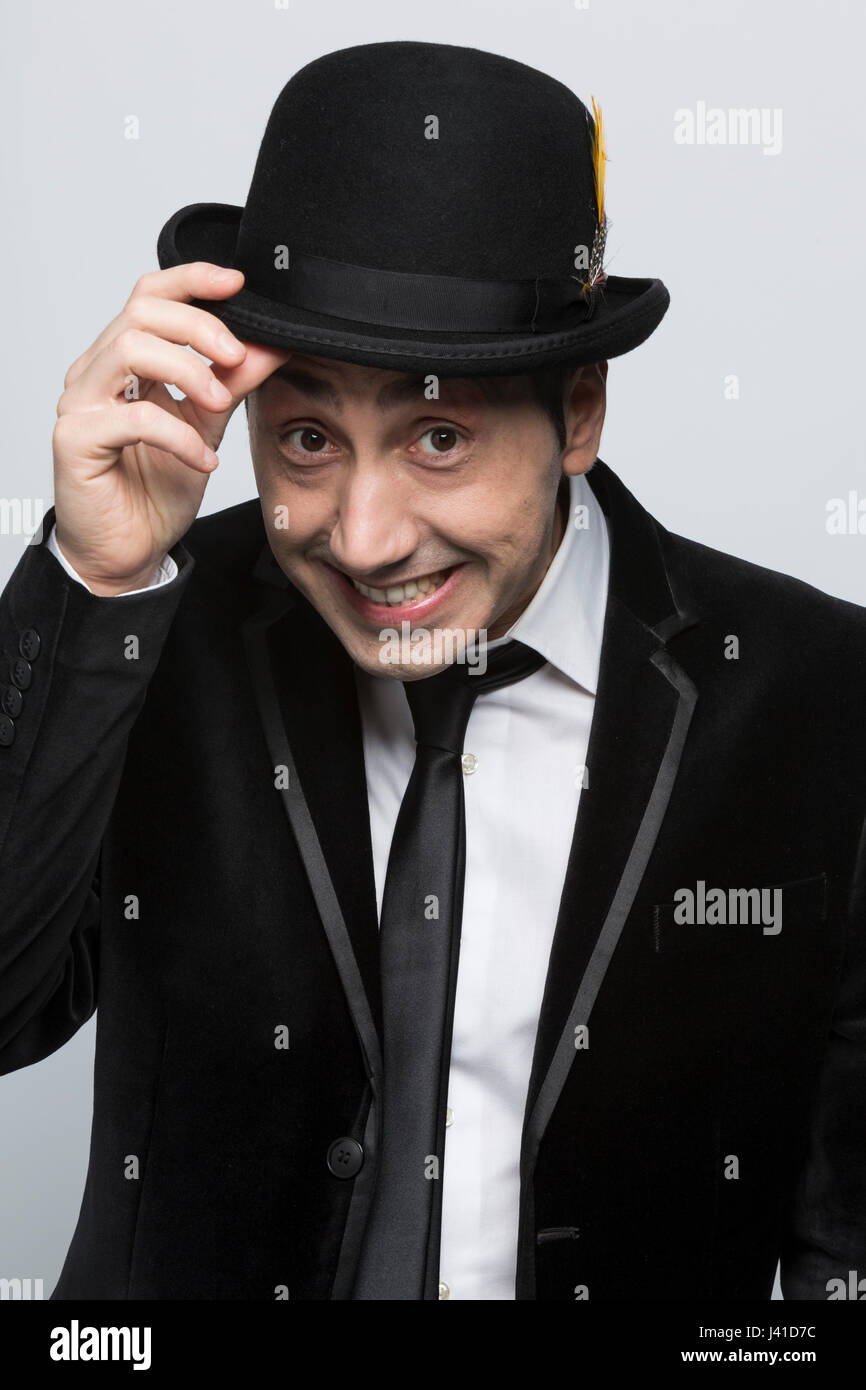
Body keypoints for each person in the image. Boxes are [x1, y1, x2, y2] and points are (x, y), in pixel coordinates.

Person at [0, 40, 864, 1302]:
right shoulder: (151, 624)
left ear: (578, 410)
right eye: (303, 436)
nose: (361, 538)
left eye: (438, 437)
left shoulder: (821, 697)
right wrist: (94, 585)